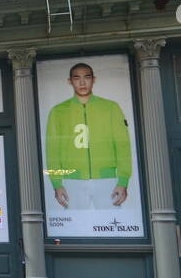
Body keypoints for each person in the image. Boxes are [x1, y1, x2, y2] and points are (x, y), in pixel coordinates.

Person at [45, 62, 132, 210]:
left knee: (110, 225)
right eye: (77, 78)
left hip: (107, 179)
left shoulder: (110, 108)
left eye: (87, 77)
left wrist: (123, 181)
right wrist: (57, 184)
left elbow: (123, 145)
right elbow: (52, 150)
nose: (82, 82)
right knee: (75, 227)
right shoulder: (58, 111)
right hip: (72, 181)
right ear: (70, 81)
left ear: (94, 79)